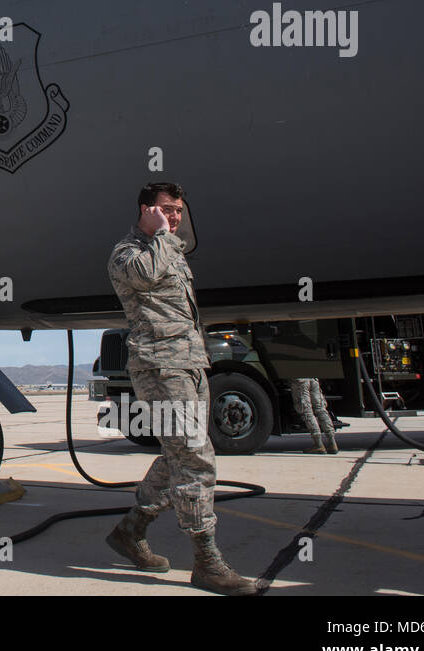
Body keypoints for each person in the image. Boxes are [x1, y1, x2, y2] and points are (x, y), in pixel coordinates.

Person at [105, 181, 260, 596]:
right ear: (146, 209)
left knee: (180, 453)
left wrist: (165, 238)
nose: (175, 216)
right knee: (194, 458)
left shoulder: (166, 247)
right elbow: (142, 277)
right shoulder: (130, 252)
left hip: (189, 364)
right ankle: (207, 563)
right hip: (160, 367)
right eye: (167, 208)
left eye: (178, 210)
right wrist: (160, 235)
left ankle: (130, 531)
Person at [288, 378, 338, 453]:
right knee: (321, 409)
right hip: (313, 378)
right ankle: (332, 443)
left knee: (307, 412)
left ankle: (318, 444)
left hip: (300, 379)